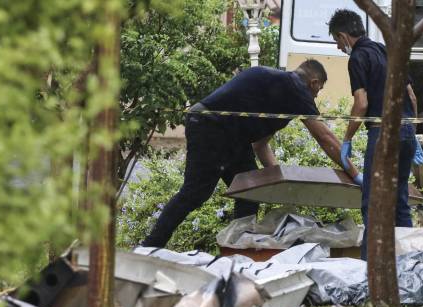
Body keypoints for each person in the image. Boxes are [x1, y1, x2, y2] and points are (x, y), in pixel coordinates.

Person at [139, 60, 360, 248]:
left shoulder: (281, 94)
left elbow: (260, 145)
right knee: (195, 193)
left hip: (232, 136)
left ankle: (238, 251)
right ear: (314, 83)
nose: (315, 97)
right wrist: (354, 173)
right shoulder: (296, 89)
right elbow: (326, 139)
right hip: (210, 126)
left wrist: (279, 182)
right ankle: (149, 247)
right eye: (318, 91)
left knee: (250, 191)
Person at [328, 9, 423, 260]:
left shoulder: (358, 58)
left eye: (337, 41)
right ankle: (409, 261)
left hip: (382, 133)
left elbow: (361, 103)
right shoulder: (387, 50)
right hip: (405, 130)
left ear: (343, 36)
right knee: (400, 198)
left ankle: (368, 267)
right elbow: (412, 97)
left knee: (372, 202)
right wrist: (412, 133)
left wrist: (347, 138)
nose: (339, 48)